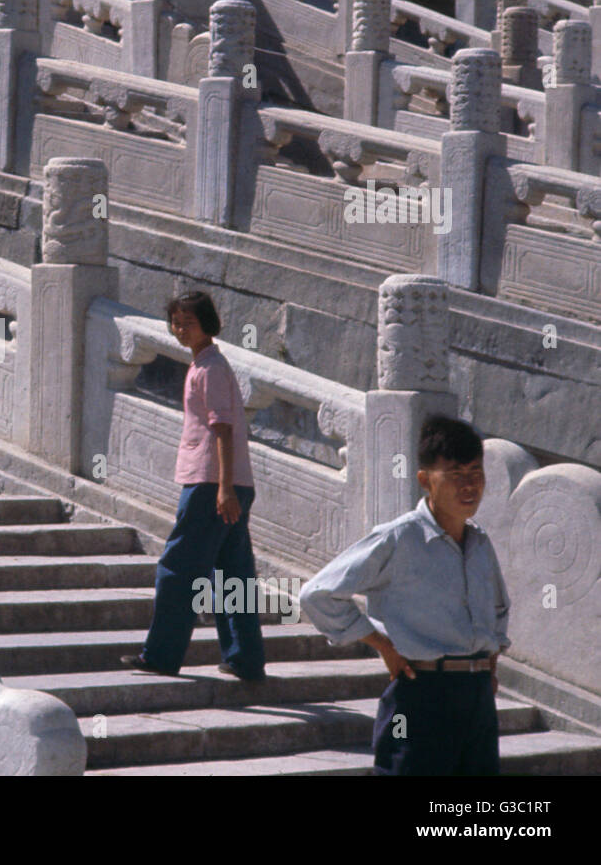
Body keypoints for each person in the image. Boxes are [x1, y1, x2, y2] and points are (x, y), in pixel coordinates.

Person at [298, 415, 511, 775]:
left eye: (476, 473)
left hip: (477, 698)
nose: (469, 485)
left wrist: (489, 664)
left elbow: (499, 608)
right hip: (421, 694)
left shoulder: (480, 542)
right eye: (456, 475)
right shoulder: (399, 538)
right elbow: (317, 594)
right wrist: (382, 645)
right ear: (426, 480)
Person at [121, 290, 266, 681]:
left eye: (188, 322)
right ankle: (245, 658)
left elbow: (222, 427)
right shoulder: (208, 364)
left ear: (207, 323)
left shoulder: (209, 368)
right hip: (230, 481)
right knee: (234, 573)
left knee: (178, 567)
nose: (180, 329)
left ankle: (162, 655)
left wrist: (223, 488)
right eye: (175, 322)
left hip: (211, 483)